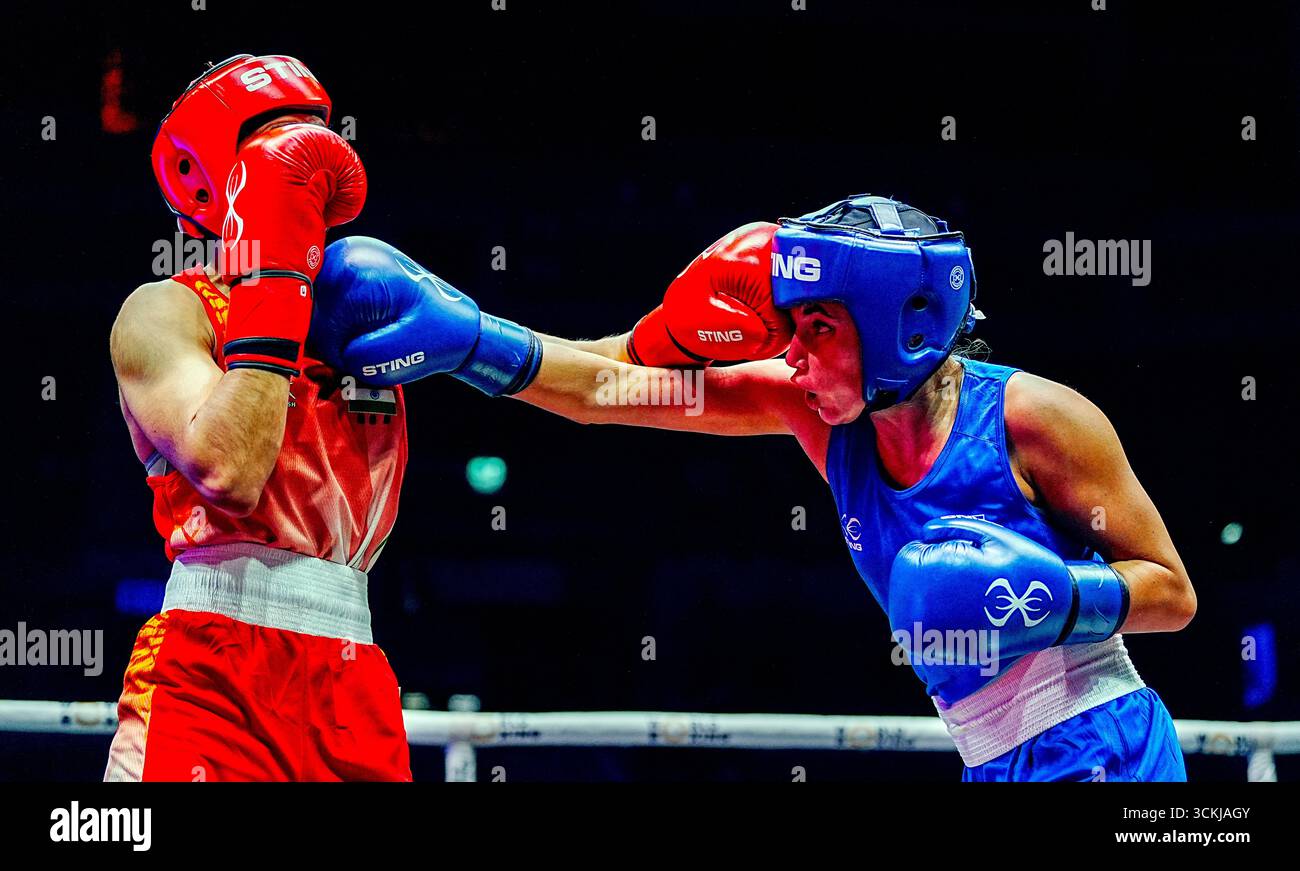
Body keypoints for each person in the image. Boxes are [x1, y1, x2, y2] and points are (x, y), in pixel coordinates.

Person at [310, 193, 1195, 781]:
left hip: (1107, 743)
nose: (792, 353)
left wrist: (1050, 598)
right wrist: (471, 341)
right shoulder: (814, 411)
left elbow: (1174, 592)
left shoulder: (1036, 418)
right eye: (791, 328)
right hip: (987, 758)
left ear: (902, 330)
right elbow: (609, 387)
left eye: (818, 328)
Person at [106, 54, 445, 781]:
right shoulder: (167, 311)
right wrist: (276, 274)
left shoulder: (370, 309)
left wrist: (657, 357)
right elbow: (229, 471)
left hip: (352, 674)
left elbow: (553, 375)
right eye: (271, 141)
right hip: (214, 667)